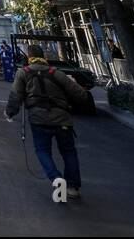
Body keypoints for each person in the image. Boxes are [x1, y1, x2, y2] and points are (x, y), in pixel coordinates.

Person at [5, 44, 89, 200]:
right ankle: (72, 187)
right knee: (68, 151)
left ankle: (56, 178)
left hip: (38, 119)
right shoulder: (55, 72)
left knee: (42, 150)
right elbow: (80, 94)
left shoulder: (23, 73)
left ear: (28, 57)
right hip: (62, 118)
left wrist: (10, 112)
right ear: (43, 56)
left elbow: (16, 95)